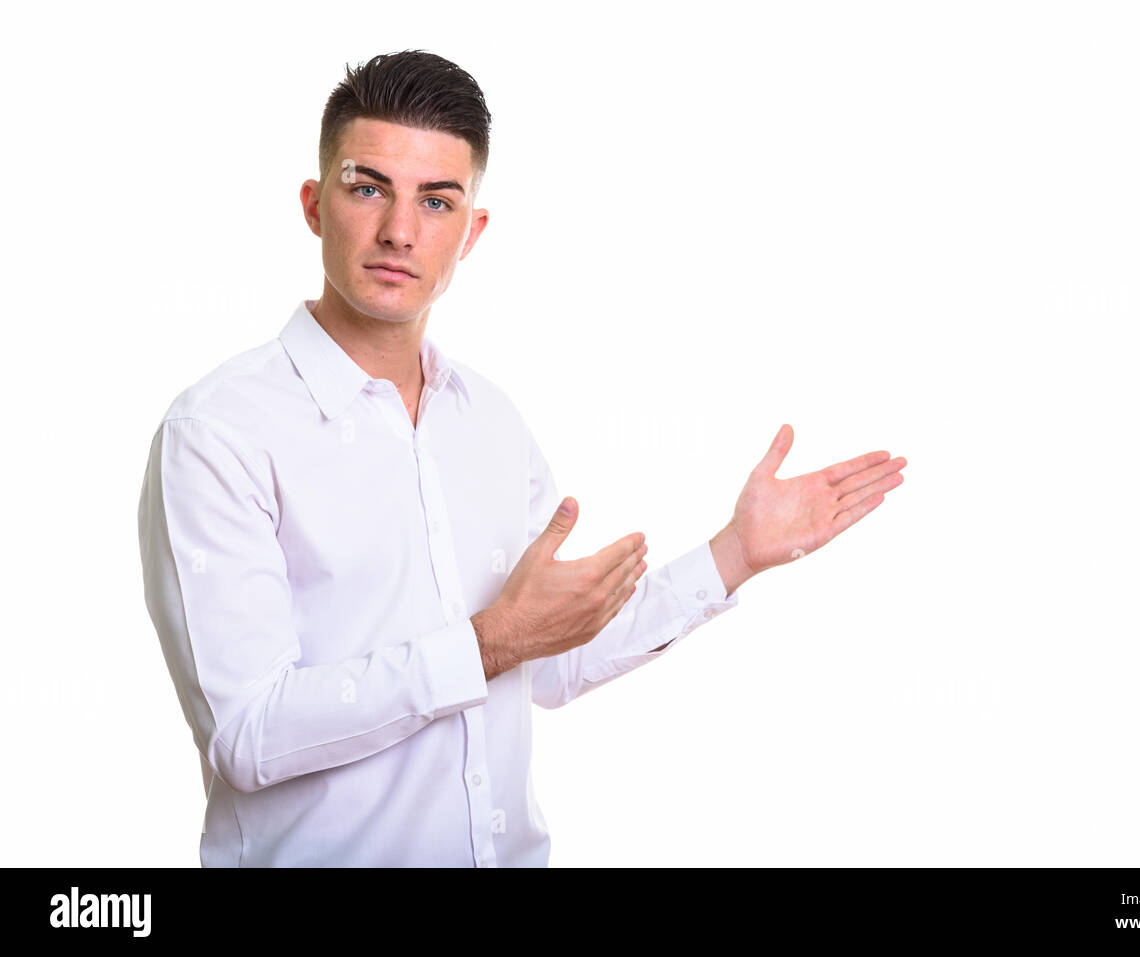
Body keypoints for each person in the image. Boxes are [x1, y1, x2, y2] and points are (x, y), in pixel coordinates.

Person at [136, 49, 908, 867]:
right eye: (368, 187)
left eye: (437, 201)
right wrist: (489, 643)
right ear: (313, 204)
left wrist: (733, 555)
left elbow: (551, 658)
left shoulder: (490, 423)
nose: (400, 229)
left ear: (472, 233)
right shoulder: (220, 432)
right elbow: (248, 732)